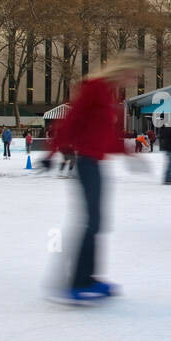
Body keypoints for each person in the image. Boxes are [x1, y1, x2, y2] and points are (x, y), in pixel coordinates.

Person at [39, 51, 145, 303]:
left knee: (96, 222)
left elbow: (109, 134)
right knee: (91, 222)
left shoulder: (109, 94)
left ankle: (88, 277)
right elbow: (70, 122)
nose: (133, 79)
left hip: (96, 163)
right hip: (86, 162)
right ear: (123, 70)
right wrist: (51, 152)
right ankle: (77, 281)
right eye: (133, 74)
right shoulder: (94, 88)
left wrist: (130, 154)